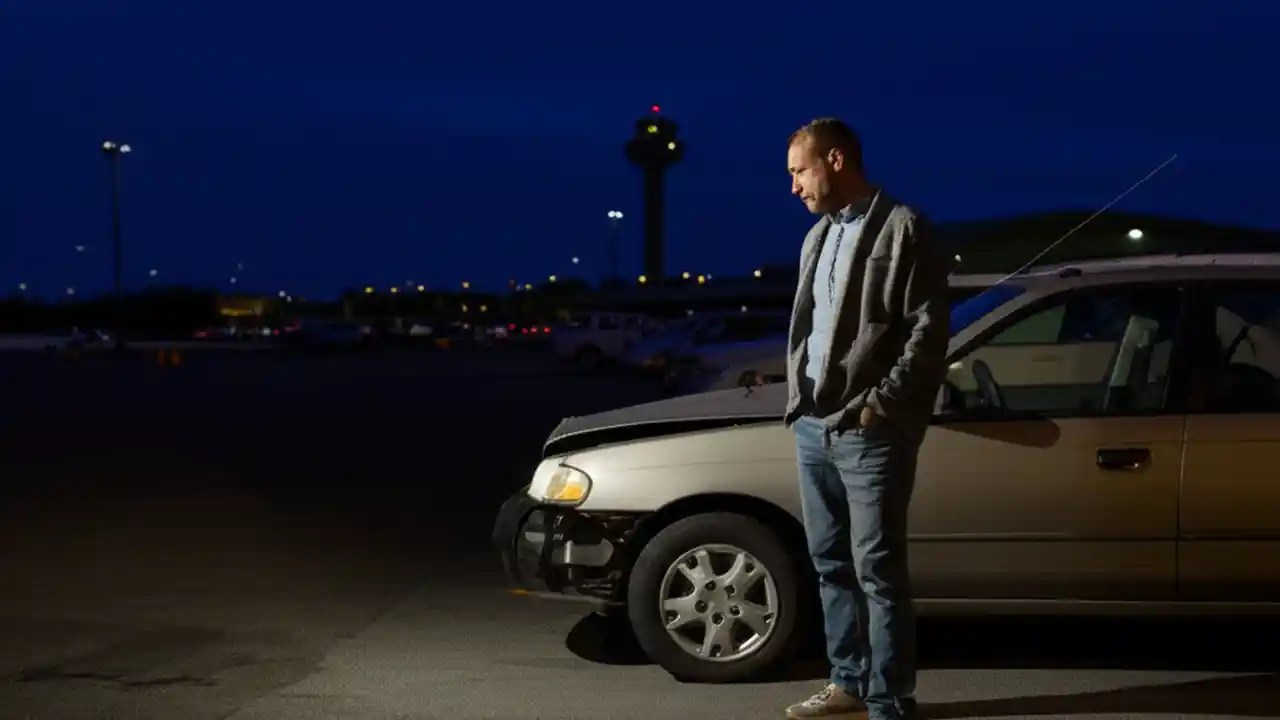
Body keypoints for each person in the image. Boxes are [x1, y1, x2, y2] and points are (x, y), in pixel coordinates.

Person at [781, 118, 950, 720]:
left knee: (877, 571)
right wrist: (798, 398)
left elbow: (928, 329)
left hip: (869, 430)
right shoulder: (817, 236)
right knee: (830, 564)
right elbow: (810, 327)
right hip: (813, 426)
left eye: (800, 171)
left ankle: (889, 700)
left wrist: (882, 402)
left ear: (834, 160)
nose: (794, 187)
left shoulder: (903, 227)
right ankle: (847, 683)